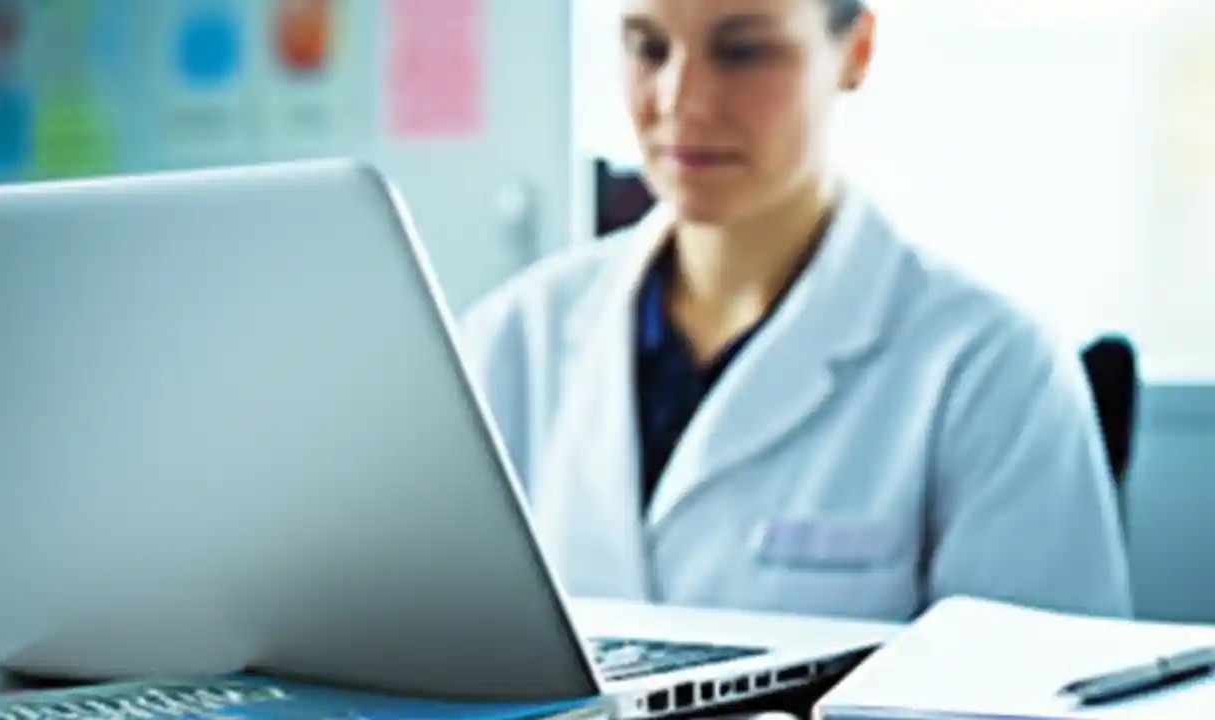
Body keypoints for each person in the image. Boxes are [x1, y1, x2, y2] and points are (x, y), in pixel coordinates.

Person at [459, 0, 1131, 621]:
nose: (680, 101)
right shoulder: (513, 337)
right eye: (649, 48)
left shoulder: (992, 369)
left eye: (743, 52)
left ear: (855, 52)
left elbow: (1036, 697)